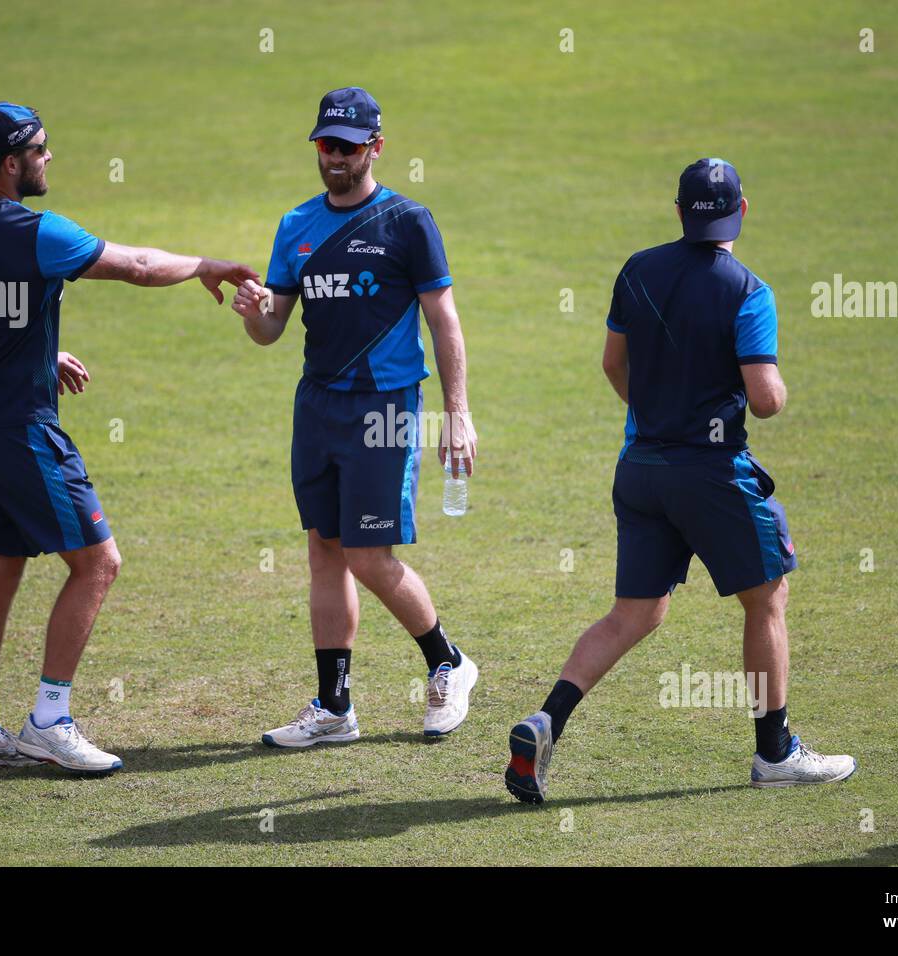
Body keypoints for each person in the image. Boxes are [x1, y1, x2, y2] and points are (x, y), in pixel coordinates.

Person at [505, 158, 856, 802]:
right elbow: (766, 399)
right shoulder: (748, 290)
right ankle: (775, 752)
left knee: (634, 612)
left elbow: (614, 363)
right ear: (742, 211)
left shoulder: (637, 269)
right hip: (712, 475)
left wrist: (655, 415)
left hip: (640, 469)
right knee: (768, 597)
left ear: (678, 212)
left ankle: (545, 720)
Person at [0, 102, 256, 774]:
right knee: (98, 563)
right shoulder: (39, 233)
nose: (51, 159)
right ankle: (49, 720)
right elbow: (135, 264)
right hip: (22, 431)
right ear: (11, 162)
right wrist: (202, 264)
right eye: (42, 149)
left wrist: (39, 354)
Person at [229, 88, 479, 747]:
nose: (334, 157)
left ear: (375, 146)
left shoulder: (407, 221)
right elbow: (273, 328)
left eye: (347, 146)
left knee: (369, 553)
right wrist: (253, 314)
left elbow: (442, 318)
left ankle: (448, 662)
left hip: (386, 409)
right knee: (325, 550)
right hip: (317, 406)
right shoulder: (295, 226)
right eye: (325, 145)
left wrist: (458, 411)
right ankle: (334, 708)